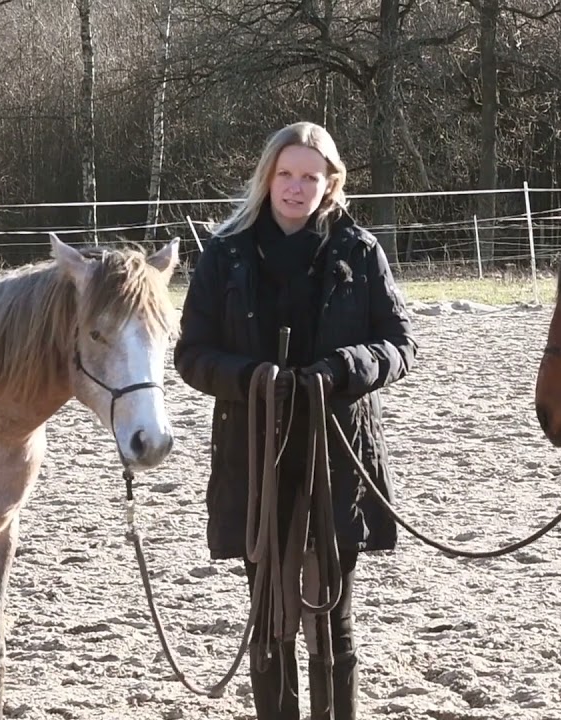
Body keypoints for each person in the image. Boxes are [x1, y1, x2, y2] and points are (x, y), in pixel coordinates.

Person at [173, 121, 416, 720]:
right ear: (267, 178)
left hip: (337, 454)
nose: (295, 186)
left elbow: (400, 344)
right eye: (286, 174)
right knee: (268, 617)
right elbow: (192, 354)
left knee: (333, 617)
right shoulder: (224, 256)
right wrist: (255, 378)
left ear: (330, 183)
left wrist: (341, 370)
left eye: (310, 175)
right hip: (253, 456)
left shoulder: (360, 252)